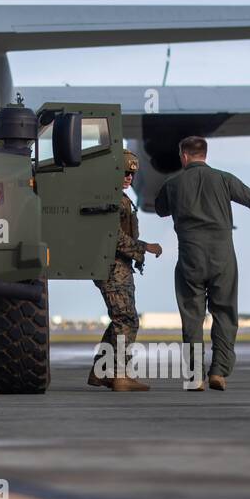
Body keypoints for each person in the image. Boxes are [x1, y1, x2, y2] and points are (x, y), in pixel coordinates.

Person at [154, 136, 250, 390]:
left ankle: (195, 376)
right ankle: (219, 372)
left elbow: (160, 209)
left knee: (192, 316)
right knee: (224, 313)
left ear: (184, 156)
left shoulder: (174, 183)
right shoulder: (224, 179)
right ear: (205, 154)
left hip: (190, 255)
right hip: (222, 256)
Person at [88, 149, 162, 391]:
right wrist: (144, 247)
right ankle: (120, 375)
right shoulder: (110, 199)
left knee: (120, 319)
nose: (129, 177)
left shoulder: (118, 197)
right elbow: (114, 237)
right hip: (112, 266)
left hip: (118, 266)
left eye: (132, 173)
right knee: (127, 320)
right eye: (124, 172)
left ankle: (101, 372)